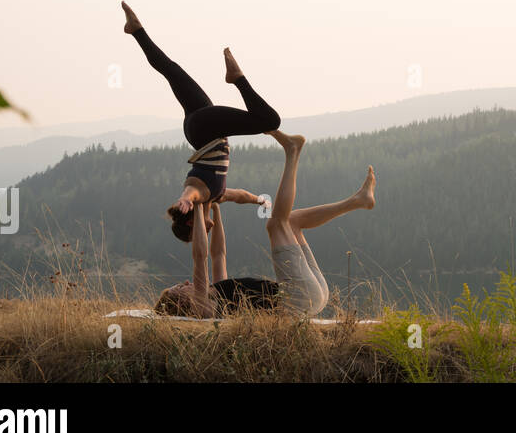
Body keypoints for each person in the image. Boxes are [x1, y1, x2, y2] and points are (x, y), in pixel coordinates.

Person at [155, 129, 376, 319]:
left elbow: (218, 254)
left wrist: (214, 208)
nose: (184, 283)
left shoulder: (216, 291)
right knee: (276, 223)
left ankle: (358, 201)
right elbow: (199, 257)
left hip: (310, 298)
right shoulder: (203, 307)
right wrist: (200, 210)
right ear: (182, 304)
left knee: (292, 222)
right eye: (178, 289)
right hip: (298, 299)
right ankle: (292, 152)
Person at [121, 1, 277, 241]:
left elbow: (190, 192)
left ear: (192, 221)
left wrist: (185, 199)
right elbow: (239, 195)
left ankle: (237, 79)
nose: (209, 229)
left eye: (202, 231)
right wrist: (259, 200)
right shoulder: (215, 196)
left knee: (269, 121)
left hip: (205, 131)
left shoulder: (200, 193)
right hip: (200, 127)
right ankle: (136, 30)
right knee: (172, 71)